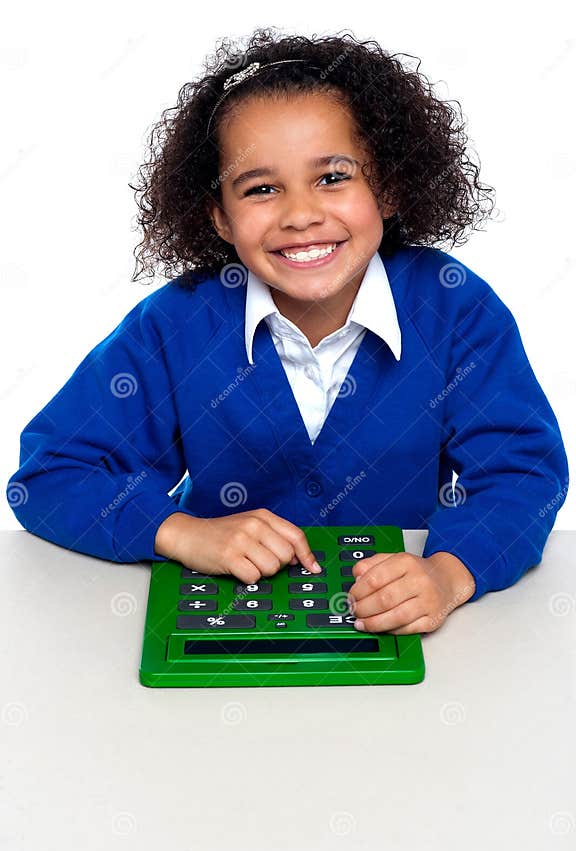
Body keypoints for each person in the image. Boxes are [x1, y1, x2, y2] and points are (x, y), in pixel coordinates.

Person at [6, 27, 569, 637]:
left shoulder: (454, 308)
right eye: (262, 189)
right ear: (221, 218)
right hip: (224, 624)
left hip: (406, 643)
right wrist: (183, 532)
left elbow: (522, 473)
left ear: (388, 186)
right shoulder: (176, 324)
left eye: (333, 177)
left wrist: (448, 575)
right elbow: (53, 473)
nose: (301, 215)